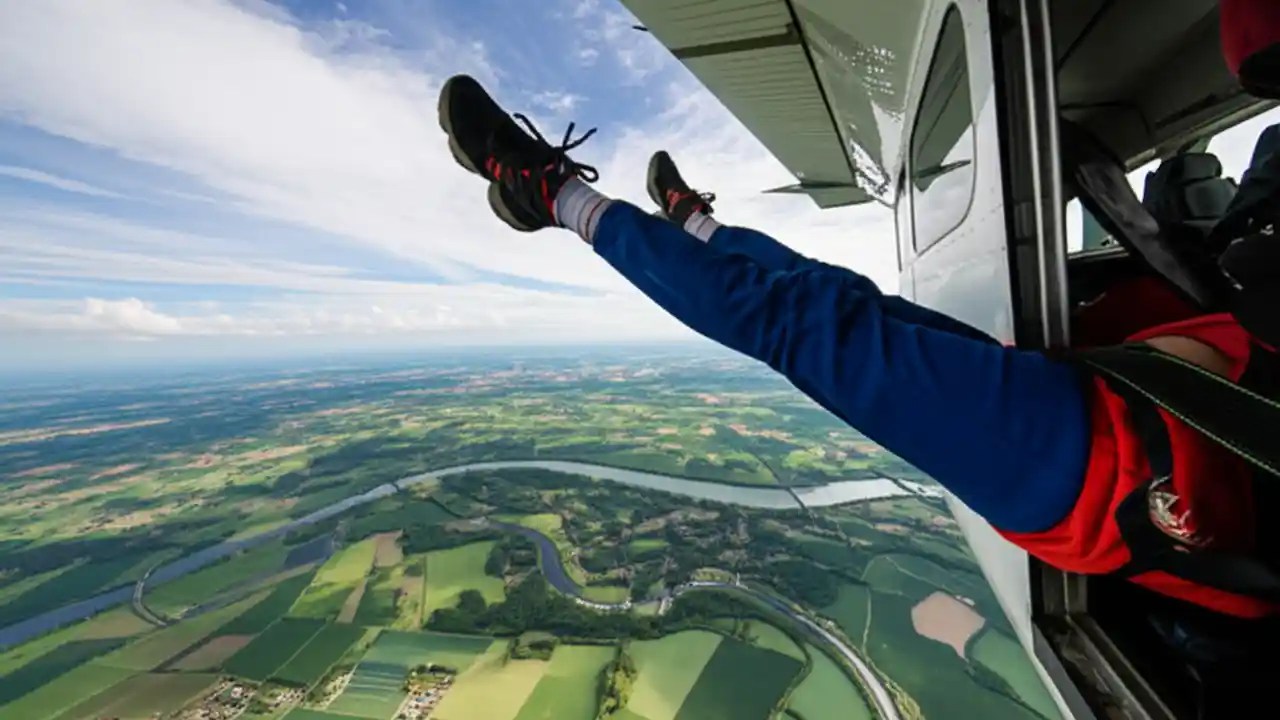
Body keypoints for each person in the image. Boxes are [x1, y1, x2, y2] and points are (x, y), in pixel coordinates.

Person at [437, 75, 1275, 618]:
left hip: (1101, 465)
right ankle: (697, 224)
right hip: (1111, 407)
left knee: (803, 325)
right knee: (840, 300)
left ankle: (550, 195)